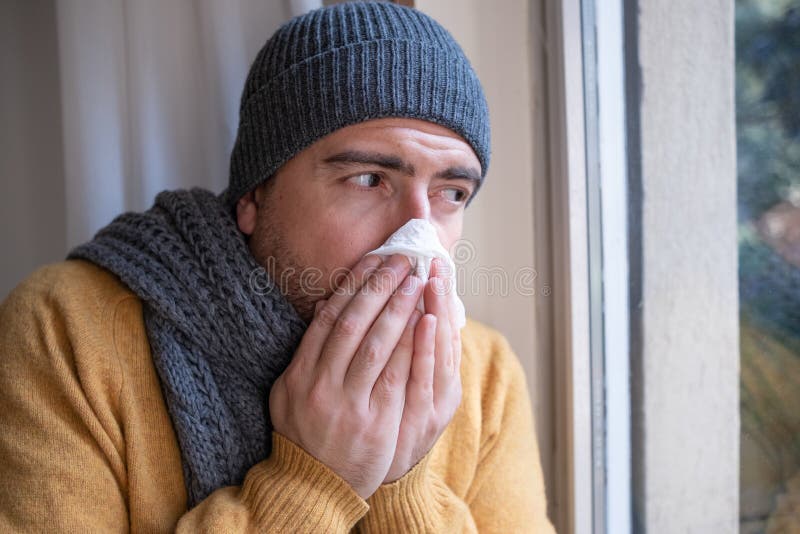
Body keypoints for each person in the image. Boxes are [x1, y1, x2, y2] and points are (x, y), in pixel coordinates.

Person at [0, 2, 554, 532]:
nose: (418, 236)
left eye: (451, 193)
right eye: (369, 180)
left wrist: (401, 483)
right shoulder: (69, 331)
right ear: (255, 195)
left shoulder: (483, 374)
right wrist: (310, 485)